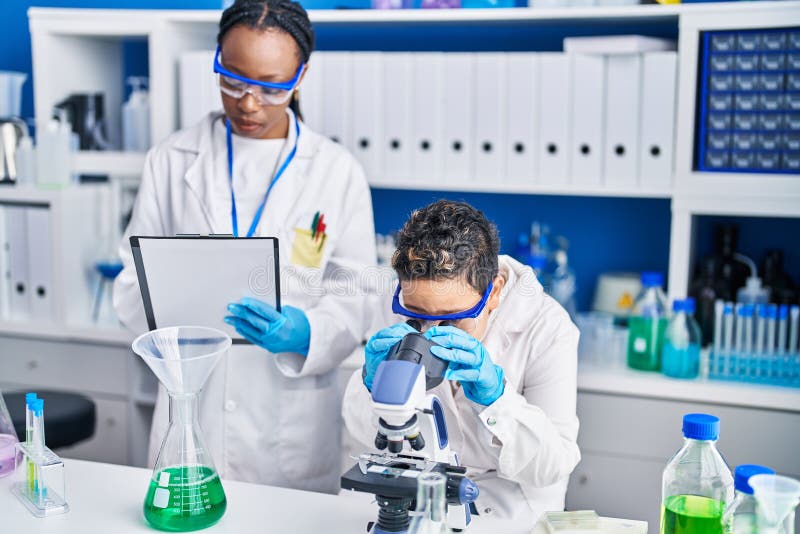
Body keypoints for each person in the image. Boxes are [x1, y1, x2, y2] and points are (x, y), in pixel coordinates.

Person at [114, 0, 376, 494]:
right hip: (194, 401)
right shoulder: (170, 161)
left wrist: (305, 334)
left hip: (288, 420)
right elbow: (132, 278)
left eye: (271, 87)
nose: (249, 102)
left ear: (300, 77)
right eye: (232, 80)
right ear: (215, 61)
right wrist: (178, 317)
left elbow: (357, 293)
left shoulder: (336, 171)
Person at [342, 200, 580, 521]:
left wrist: (496, 402)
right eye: (417, 317)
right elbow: (361, 431)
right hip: (415, 490)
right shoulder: (398, 301)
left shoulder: (548, 328)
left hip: (507, 508)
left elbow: (553, 465)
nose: (430, 331)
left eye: (452, 319)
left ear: (493, 291)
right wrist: (372, 387)